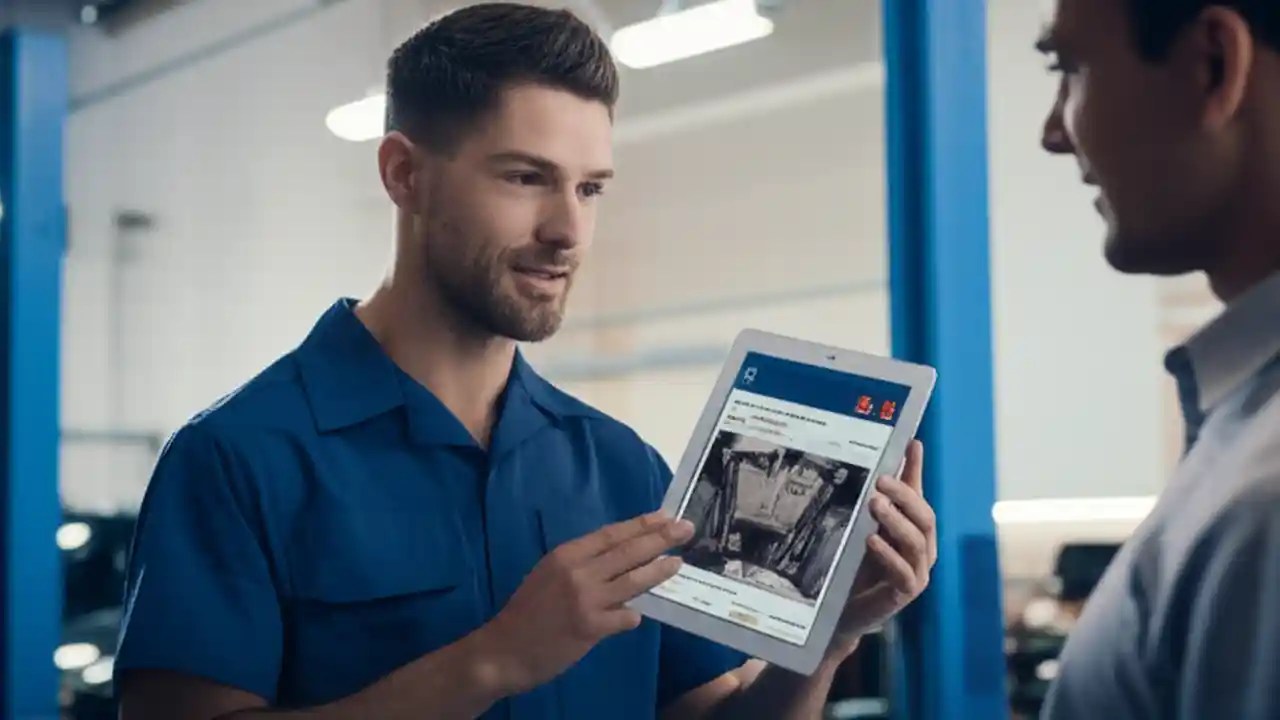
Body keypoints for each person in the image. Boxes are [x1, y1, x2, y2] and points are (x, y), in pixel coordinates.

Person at [114, 4, 939, 719]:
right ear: (405, 174)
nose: (568, 232)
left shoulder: (623, 468)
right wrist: (495, 661)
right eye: (524, 178)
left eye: (590, 189)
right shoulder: (237, 459)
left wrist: (828, 640)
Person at [1036, 1, 1280, 718]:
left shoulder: (1265, 501)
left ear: (1213, 66)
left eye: (1072, 69)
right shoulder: (1242, 431)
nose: (1054, 133)